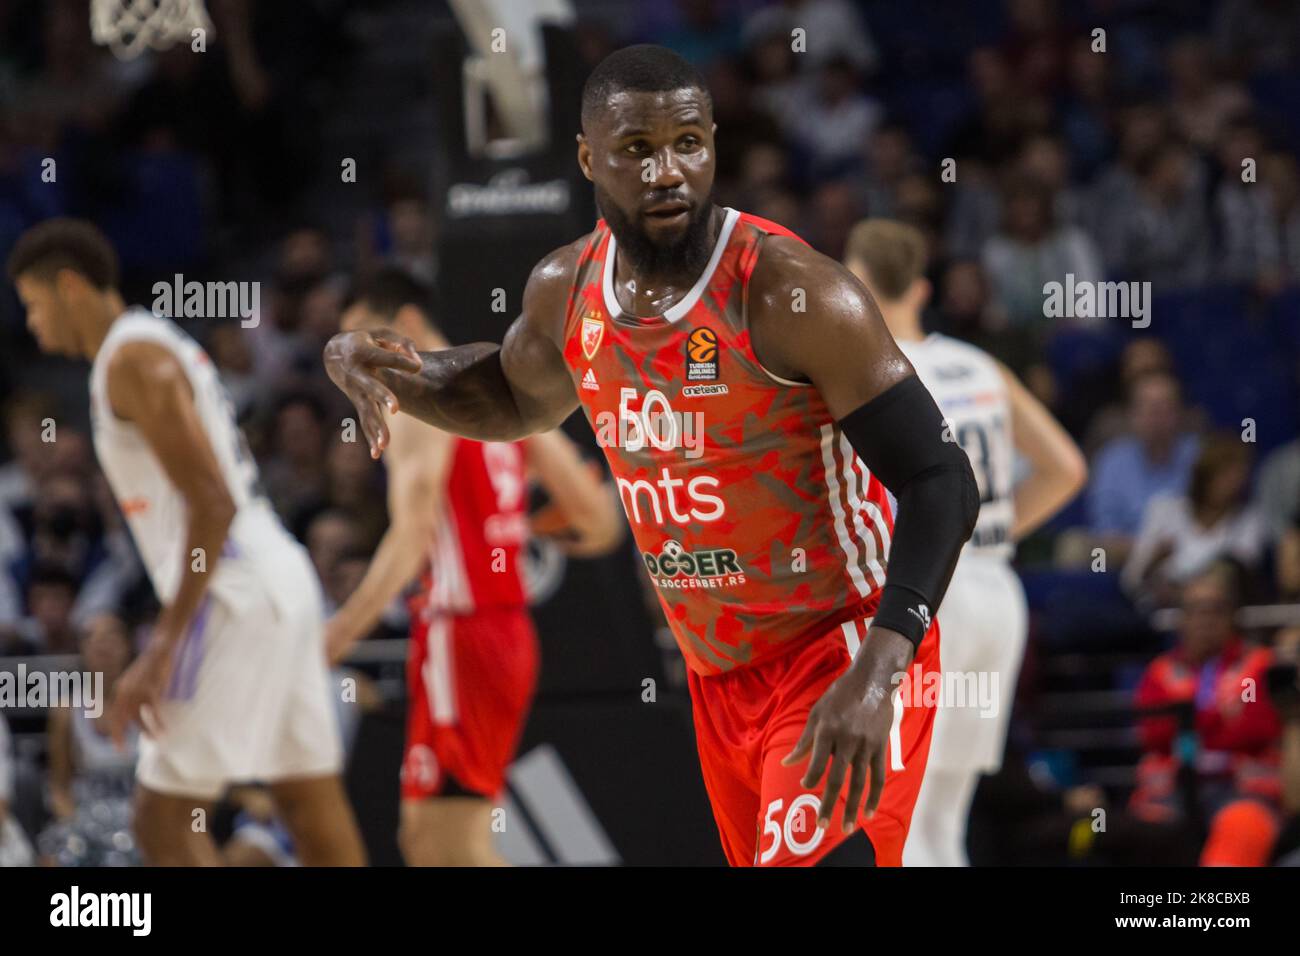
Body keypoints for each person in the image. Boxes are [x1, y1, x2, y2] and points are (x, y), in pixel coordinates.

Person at [324, 44, 979, 867]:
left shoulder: (793, 293)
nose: (668, 171)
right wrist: (393, 371)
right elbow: (511, 396)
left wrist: (881, 668)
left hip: (837, 647)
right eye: (637, 149)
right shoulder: (567, 290)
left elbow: (941, 477)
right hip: (718, 676)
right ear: (589, 157)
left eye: (688, 144)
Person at [7, 219, 365, 866]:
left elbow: (212, 501)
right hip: (275, 575)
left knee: (160, 819)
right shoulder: (144, 348)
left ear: (68, 287)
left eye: (34, 303)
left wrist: (163, 646)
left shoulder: (131, 358)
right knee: (308, 803)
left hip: (234, 589)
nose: (31, 324)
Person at [325, 267, 624, 866]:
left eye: (362, 339)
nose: (355, 368)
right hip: (504, 633)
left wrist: (328, 642)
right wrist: (529, 529)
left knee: (448, 844)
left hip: (461, 629)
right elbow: (599, 521)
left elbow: (410, 540)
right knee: (433, 841)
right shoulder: (499, 391)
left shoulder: (413, 400)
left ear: (404, 326)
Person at [844, 218, 1087, 866]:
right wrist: (984, 532)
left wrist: (939, 542)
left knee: (904, 802)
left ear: (858, 284)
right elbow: (1066, 468)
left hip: (928, 599)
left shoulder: (871, 372)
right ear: (920, 288)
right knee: (947, 809)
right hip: (997, 593)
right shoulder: (979, 365)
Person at [1122, 435, 1265, 611]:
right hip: (1158, 616)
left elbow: (1240, 576)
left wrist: (1182, 592)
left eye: (1238, 475)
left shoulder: (1248, 520)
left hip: (1214, 616)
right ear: (1205, 474)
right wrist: (1152, 562)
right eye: (1224, 475)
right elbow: (1130, 579)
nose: (1232, 484)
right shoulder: (1164, 509)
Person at [1087, 370, 1199, 567]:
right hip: (1126, 556)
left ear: (1180, 412)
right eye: (1150, 409)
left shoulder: (1198, 456)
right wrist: (1149, 549)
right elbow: (1104, 535)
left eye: (1166, 408)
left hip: (1191, 557)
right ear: (1133, 414)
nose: (1158, 418)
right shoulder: (1113, 460)